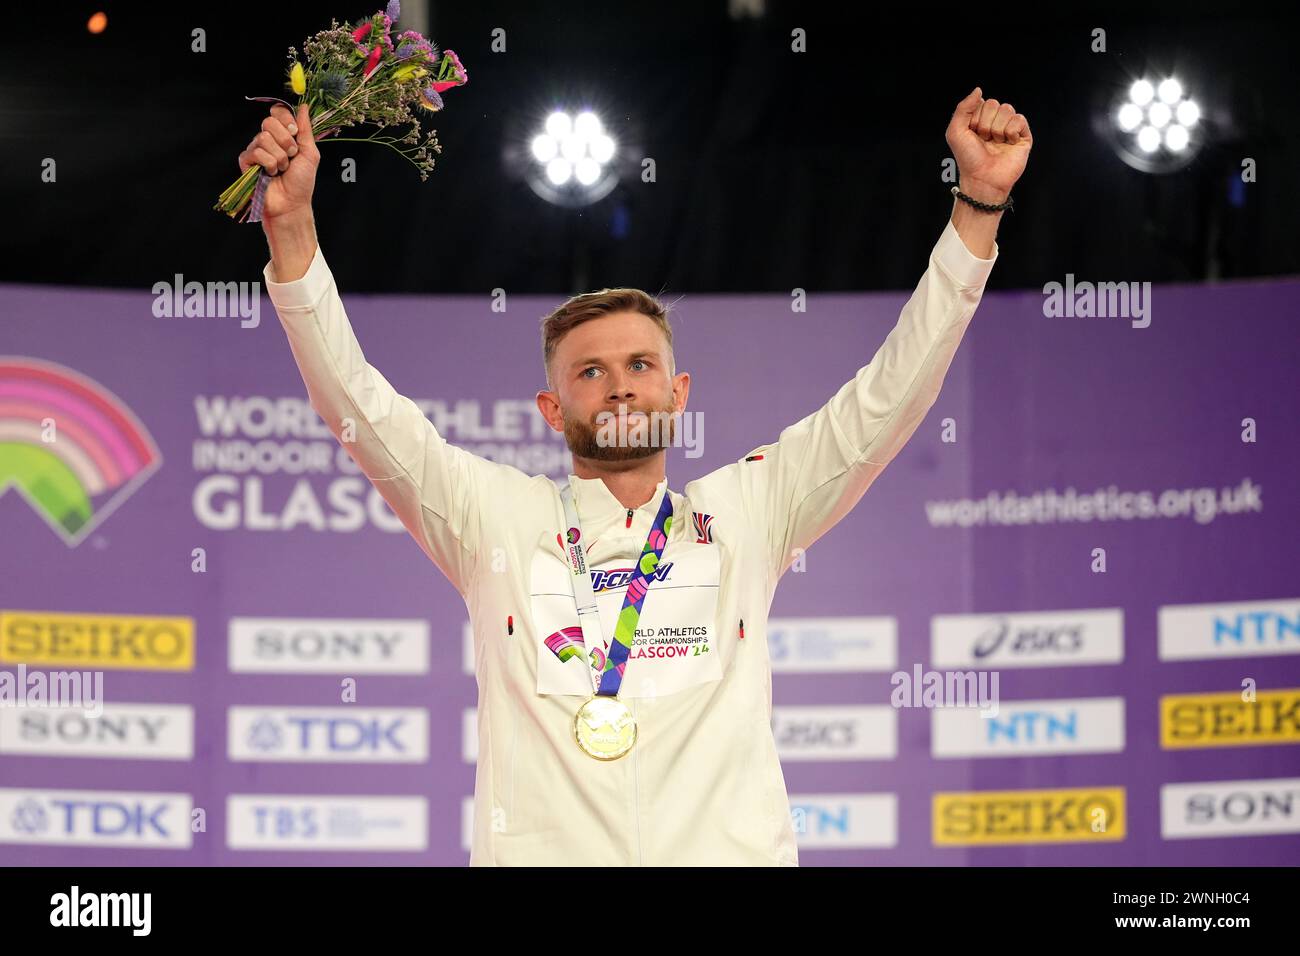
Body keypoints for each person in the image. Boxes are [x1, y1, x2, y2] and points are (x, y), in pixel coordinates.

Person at [243, 87, 1032, 865]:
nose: (619, 384)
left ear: (677, 394)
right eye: (591, 371)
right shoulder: (494, 518)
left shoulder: (750, 509)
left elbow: (888, 399)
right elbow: (355, 401)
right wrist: (292, 226)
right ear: (553, 409)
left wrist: (978, 209)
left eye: (640, 364)